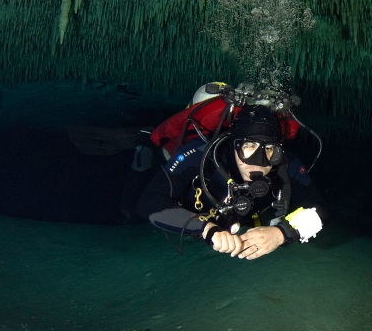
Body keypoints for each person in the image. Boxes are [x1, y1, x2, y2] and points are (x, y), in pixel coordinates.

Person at [136, 103, 324, 260]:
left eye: (268, 148)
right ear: (234, 145)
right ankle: (141, 139)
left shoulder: (286, 163)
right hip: (196, 213)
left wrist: (282, 233)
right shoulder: (200, 155)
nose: (259, 161)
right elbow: (149, 202)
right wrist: (205, 229)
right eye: (249, 146)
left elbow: (319, 207)